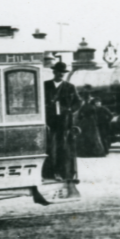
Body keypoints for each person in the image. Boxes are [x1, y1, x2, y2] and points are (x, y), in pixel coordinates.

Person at [42, 61, 82, 194]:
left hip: (64, 122)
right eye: (58, 72)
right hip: (49, 121)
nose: (61, 75)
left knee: (63, 147)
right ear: (54, 72)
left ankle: (63, 172)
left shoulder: (70, 87)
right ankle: (49, 173)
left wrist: (70, 110)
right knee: (49, 147)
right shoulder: (45, 85)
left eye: (63, 73)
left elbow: (78, 102)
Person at [74, 93, 106, 158]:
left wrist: (81, 120)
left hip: (84, 122)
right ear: (89, 99)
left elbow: (80, 116)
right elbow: (95, 116)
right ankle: (95, 152)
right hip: (92, 122)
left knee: (84, 137)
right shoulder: (92, 106)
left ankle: (84, 152)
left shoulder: (83, 107)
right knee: (94, 137)